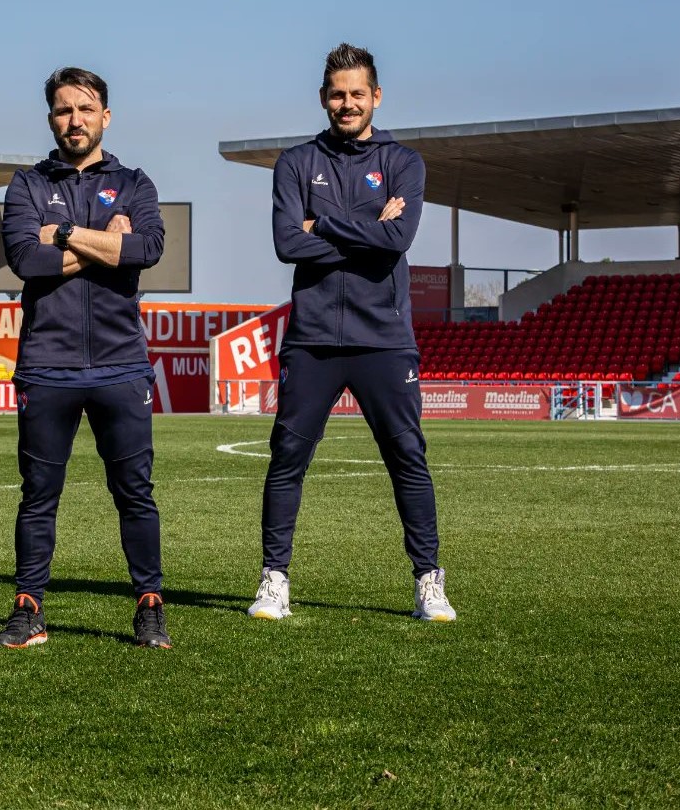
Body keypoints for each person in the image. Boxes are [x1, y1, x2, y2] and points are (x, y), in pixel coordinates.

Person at [249, 43, 457, 623]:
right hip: (312, 338)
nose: (347, 103)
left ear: (376, 97)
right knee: (287, 457)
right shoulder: (295, 162)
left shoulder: (403, 162)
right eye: (338, 95)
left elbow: (398, 241)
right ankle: (274, 579)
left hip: (384, 339)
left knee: (407, 456)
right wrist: (368, 228)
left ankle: (428, 579)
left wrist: (323, 224)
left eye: (357, 94)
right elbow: (287, 243)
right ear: (323, 98)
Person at [0, 67, 170, 648]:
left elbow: (147, 248)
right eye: (64, 110)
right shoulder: (26, 184)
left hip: (122, 363)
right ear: (51, 119)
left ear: (105, 117)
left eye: (86, 109)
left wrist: (62, 233)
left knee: (135, 493)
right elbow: (26, 261)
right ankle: (28, 609)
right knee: (38, 495)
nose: (75, 120)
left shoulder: (135, 183)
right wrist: (103, 242)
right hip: (47, 364)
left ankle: (149, 606)